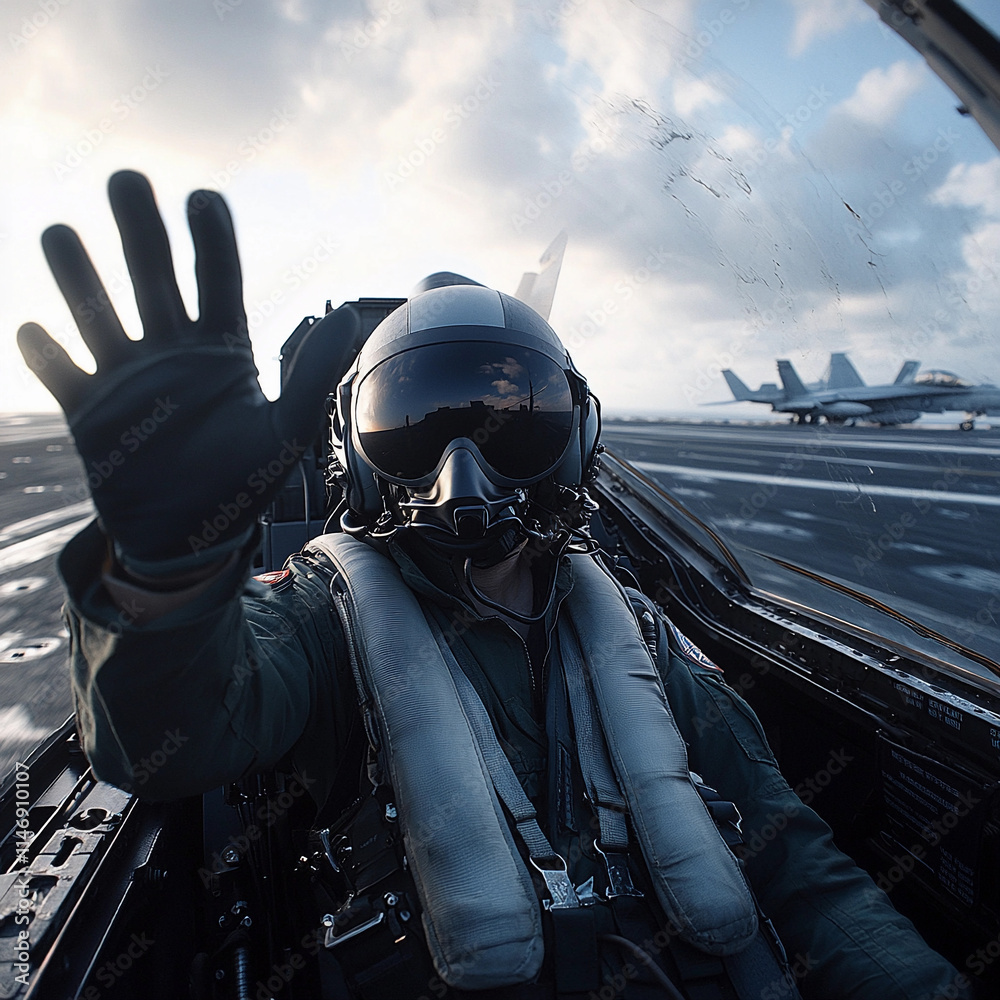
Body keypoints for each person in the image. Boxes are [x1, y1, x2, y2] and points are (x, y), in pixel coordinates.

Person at [17, 170, 973, 999]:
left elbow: (791, 858)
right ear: (356, 453)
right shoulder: (319, 616)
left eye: (508, 419)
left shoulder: (634, 628)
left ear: (575, 435)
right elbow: (164, 748)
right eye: (419, 427)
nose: (463, 473)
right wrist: (170, 570)